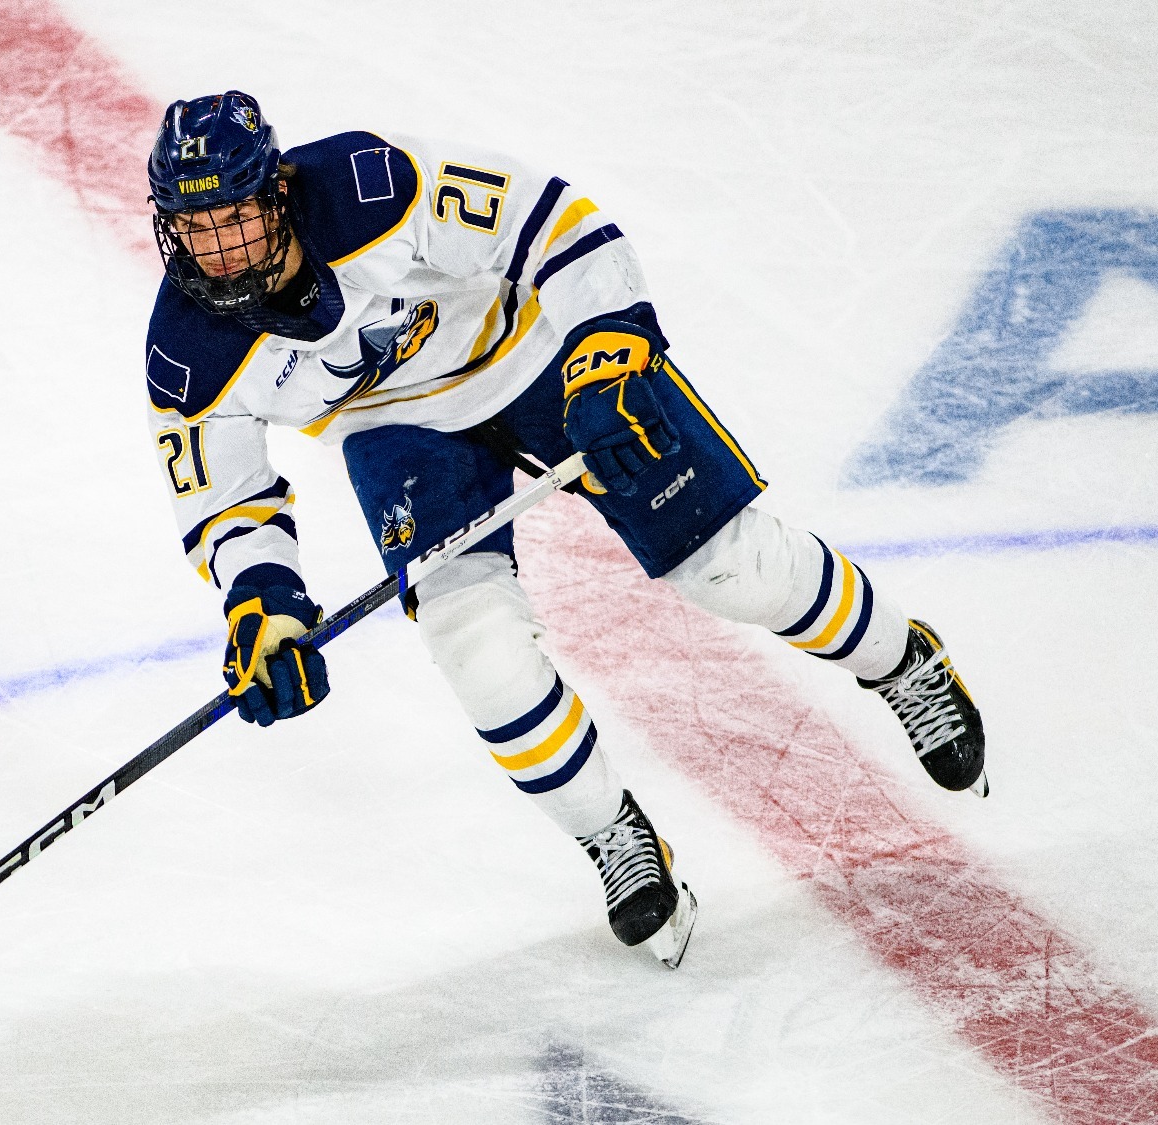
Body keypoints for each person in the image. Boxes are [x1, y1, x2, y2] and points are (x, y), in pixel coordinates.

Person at [141, 91, 986, 969]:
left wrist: (606, 349)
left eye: (236, 212)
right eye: (196, 225)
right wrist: (264, 601)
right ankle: (612, 835)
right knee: (479, 652)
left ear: (277, 191)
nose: (221, 244)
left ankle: (902, 661)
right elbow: (224, 500)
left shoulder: (367, 185)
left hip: (532, 355)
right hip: (397, 433)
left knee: (728, 567)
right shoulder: (185, 350)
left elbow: (551, 219)